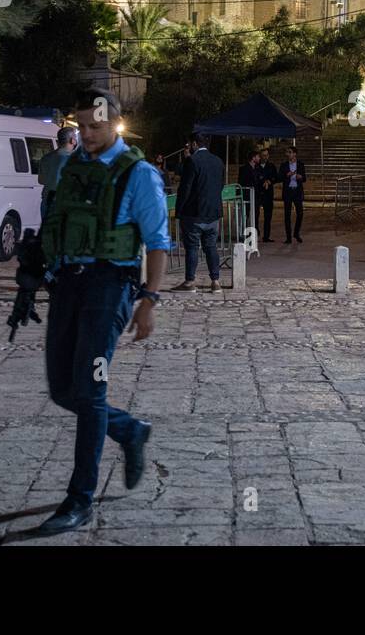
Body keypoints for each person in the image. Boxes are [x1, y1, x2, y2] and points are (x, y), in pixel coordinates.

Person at [36, 88, 168, 535]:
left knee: (89, 393)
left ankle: (79, 499)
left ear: (116, 123)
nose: (87, 134)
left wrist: (148, 301)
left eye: (95, 126)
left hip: (110, 288)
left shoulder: (140, 174)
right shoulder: (76, 166)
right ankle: (129, 430)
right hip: (68, 286)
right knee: (61, 389)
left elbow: (158, 243)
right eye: (82, 127)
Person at [171, 132, 225, 293]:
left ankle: (189, 281)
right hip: (213, 212)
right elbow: (221, 185)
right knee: (211, 246)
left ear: (194, 144)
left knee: (192, 247)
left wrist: (178, 210)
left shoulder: (192, 161)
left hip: (194, 213)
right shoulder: (218, 161)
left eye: (189, 145)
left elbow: (185, 189)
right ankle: (215, 281)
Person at [37, 126, 78, 218]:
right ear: (72, 140)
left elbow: (41, 180)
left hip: (48, 202)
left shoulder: (46, 158)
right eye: (75, 137)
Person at [282, 146, 307, 243]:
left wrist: (300, 177)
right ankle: (288, 237)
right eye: (287, 152)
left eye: (290, 152)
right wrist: (286, 175)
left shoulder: (300, 165)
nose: (287, 154)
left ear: (295, 154)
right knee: (287, 215)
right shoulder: (284, 165)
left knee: (300, 213)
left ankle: (296, 233)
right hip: (288, 192)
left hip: (297, 191)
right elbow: (279, 176)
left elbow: (304, 178)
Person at [258, 148, 278, 242]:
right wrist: (263, 181)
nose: (265, 157)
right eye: (263, 155)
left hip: (268, 194)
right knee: (255, 215)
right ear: (260, 156)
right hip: (258, 193)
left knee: (268, 216)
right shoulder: (257, 166)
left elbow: (276, 177)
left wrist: (269, 181)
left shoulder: (271, 166)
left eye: (266, 155)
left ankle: (266, 236)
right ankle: (255, 234)